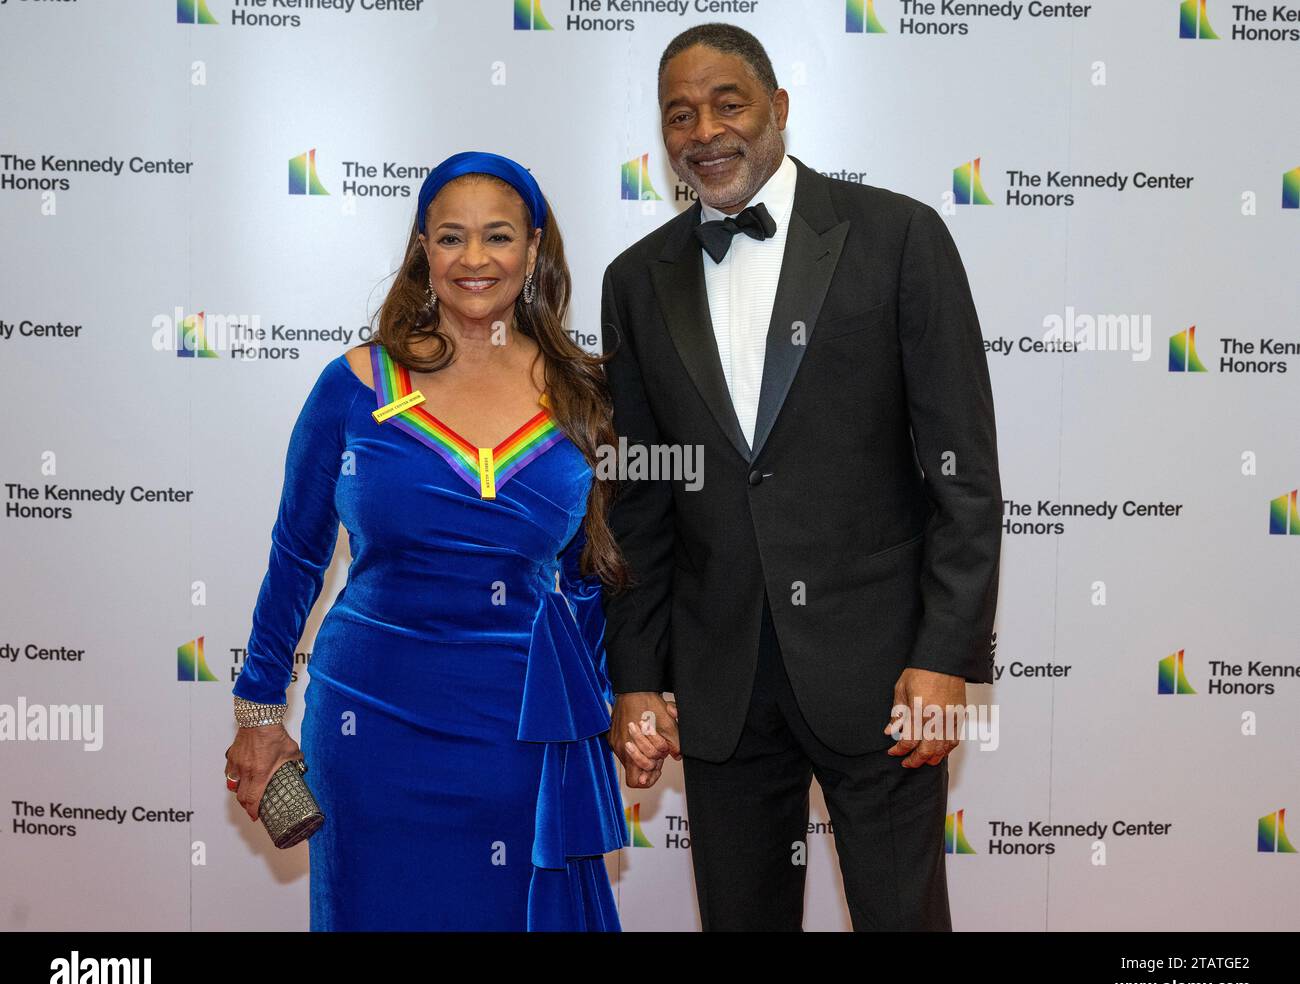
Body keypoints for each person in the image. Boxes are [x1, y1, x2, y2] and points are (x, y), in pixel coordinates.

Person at [600, 24, 1003, 931]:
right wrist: (636, 676)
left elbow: (964, 475)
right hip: (720, 685)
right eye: (680, 114)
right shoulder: (634, 281)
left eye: (728, 103)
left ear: (779, 108)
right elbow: (641, 498)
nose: (704, 130)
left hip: (883, 676)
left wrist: (944, 658)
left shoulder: (900, 237)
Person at [223, 151, 628, 931]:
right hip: (369, 731)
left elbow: (588, 584)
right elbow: (297, 556)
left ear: (535, 249)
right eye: (450, 237)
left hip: (520, 736)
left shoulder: (587, 397)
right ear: (422, 249)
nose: (475, 259)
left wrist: (601, 710)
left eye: (499, 237)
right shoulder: (356, 385)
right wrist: (259, 710)